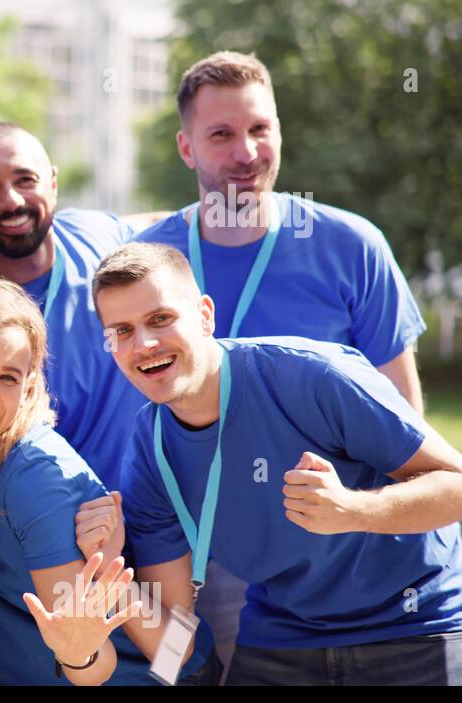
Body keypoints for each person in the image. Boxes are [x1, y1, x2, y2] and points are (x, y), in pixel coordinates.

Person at [133, 50, 428, 671]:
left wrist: (354, 510)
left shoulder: (350, 247)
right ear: (186, 149)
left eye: (260, 129)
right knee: (183, 666)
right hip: (211, 539)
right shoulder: (147, 261)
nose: (246, 151)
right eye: (222, 134)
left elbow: (407, 427)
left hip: (348, 554)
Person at [94, 242, 462, 685]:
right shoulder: (150, 449)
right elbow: (178, 636)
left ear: (205, 316)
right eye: (123, 331)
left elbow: (455, 485)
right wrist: (109, 572)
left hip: (414, 626)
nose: (145, 343)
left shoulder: (314, 376)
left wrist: (354, 511)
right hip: (283, 641)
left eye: (160, 319)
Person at [0, 277, 146, 685]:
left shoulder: (33, 475)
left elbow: (95, 663)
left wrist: (77, 654)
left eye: (7, 377)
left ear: (28, 387)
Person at [0, 121, 150, 491]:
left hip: (152, 514)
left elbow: (170, 225)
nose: (12, 201)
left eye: (25, 180)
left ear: (53, 184)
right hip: (40, 533)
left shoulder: (101, 237)